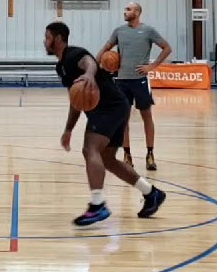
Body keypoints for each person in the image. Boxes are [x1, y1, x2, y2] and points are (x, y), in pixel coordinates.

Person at [46, 21, 165, 226]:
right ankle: (151, 193)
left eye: (47, 37)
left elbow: (89, 63)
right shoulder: (61, 67)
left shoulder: (75, 54)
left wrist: (89, 75)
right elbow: (76, 102)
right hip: (114, 107)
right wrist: (68, 129)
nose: (45, 42)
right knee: (108, 159)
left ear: (57, 39)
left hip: (109, 107)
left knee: (90, 148)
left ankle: (97, 205)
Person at [98, 2, 174, 171]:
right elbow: (105, 49)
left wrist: (152, 66)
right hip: (121, 81)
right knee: (123, 120)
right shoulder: (119, 31)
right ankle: (127, 155)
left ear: (138, 12)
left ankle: (150, 154)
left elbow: (167, 48)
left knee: (146, 116)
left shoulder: (148, 31)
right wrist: (95, 68)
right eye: (125, 9)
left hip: (140, 80)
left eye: (129, 9)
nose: (125, 12)